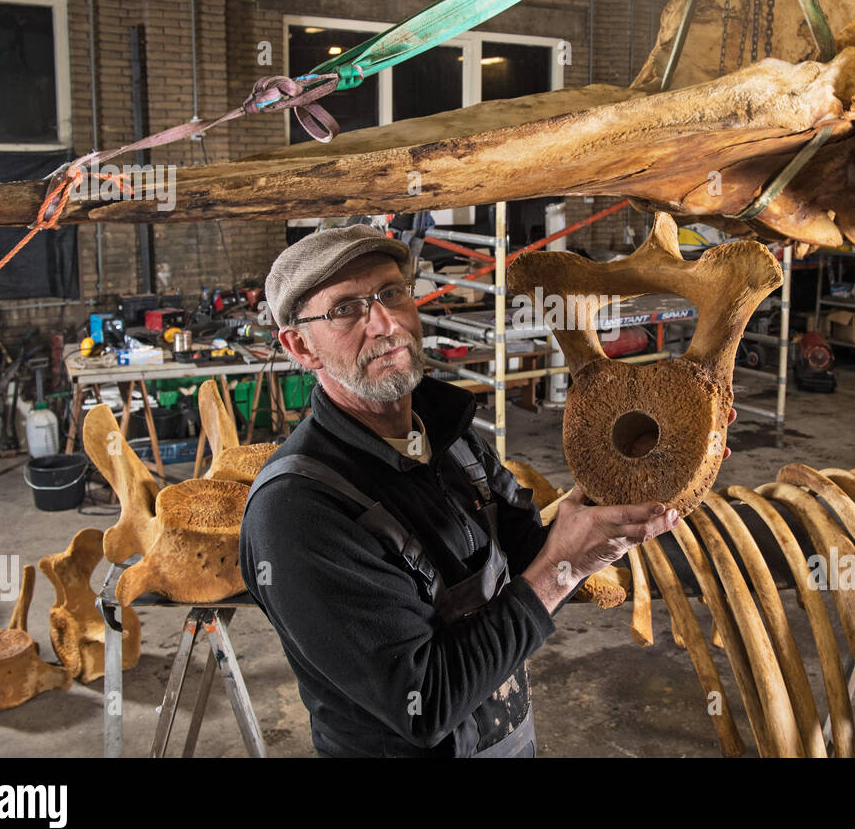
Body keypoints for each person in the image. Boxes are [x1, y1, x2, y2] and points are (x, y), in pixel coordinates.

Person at [240, 224, 692, 758]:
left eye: (391, 293)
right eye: (346, 310)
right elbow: (424, 703)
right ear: (300, 346)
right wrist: (565, 567)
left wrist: (627, 473)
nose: (385, 323)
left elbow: (527, 561)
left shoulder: (449, 436)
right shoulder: (297, 512)